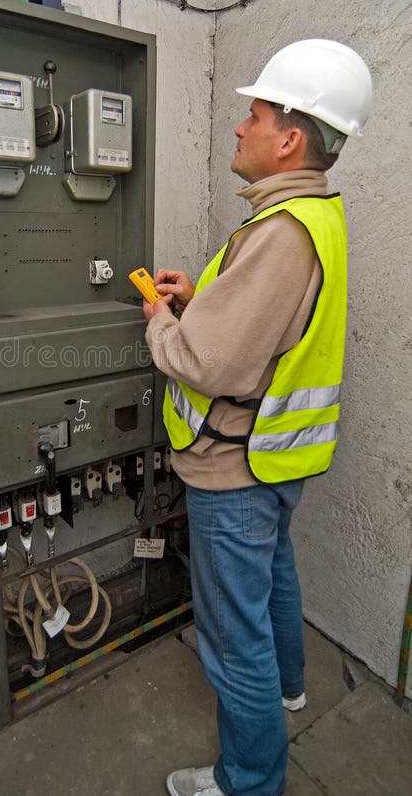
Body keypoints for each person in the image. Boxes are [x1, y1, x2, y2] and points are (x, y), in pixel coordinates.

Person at [142, 39, 372, 796]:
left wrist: (159, 320)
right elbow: (262, 325)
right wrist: (196, 295)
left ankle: (247, 781)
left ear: (289, 138)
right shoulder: (313, 215)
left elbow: (206, 364)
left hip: (232, 470)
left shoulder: (279, 232)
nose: (238, 127)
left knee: (233, 643)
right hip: (275, 463)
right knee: (273, 579)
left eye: (254, 113)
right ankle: (290, 692)